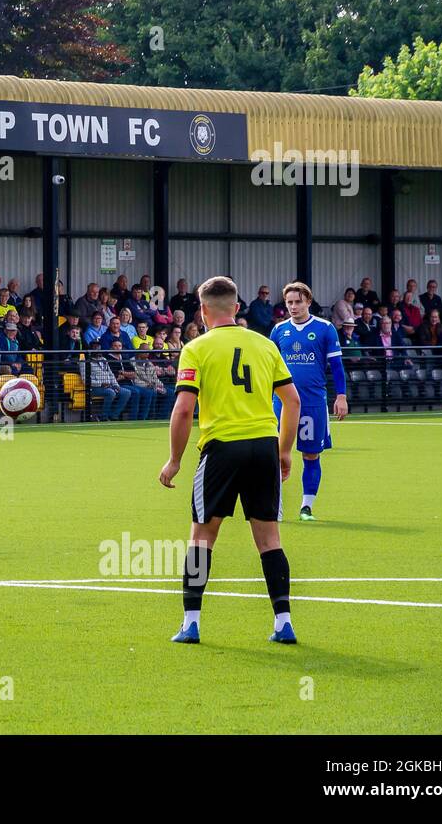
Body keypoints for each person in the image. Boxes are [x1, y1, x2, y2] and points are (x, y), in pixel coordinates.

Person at [159, 275, 301, 646]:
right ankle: (283, 622)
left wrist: (174, 460)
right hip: (263, 447)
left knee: (202, 538)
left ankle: (191, 623)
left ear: (203, 311)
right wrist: (284, 451)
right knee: (269, 539)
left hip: (222, 448)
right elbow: (293, 402)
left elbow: (183, 408)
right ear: (237, 308)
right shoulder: (265, 345)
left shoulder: (196, 348)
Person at [270, 282, 348, 522]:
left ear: (308, 302)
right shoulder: (278, 331)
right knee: (273, 454)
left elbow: (336, 366)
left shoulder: (325, 329)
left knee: (311, 455)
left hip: (313, 402)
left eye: (297, 302)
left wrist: (341, 396)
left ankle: (306, 507)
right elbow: (269, 368)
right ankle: (275, 505)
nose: (293, 307)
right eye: (289, 302)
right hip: (281, 403)